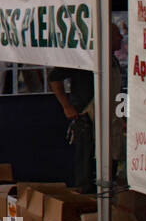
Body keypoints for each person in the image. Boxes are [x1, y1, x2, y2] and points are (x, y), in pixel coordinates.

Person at [50, 23, 124, 194]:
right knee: (87, 166)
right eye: (117, 35)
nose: (121, 38)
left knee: (110, 163)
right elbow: (54, 78)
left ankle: (105, 200)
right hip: (88, 120)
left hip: (111, 122)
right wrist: (66, 106)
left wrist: (123, 116)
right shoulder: (85, 58)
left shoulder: (113, 61)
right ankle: (88, 205)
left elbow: (118, 92)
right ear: (106, 38)